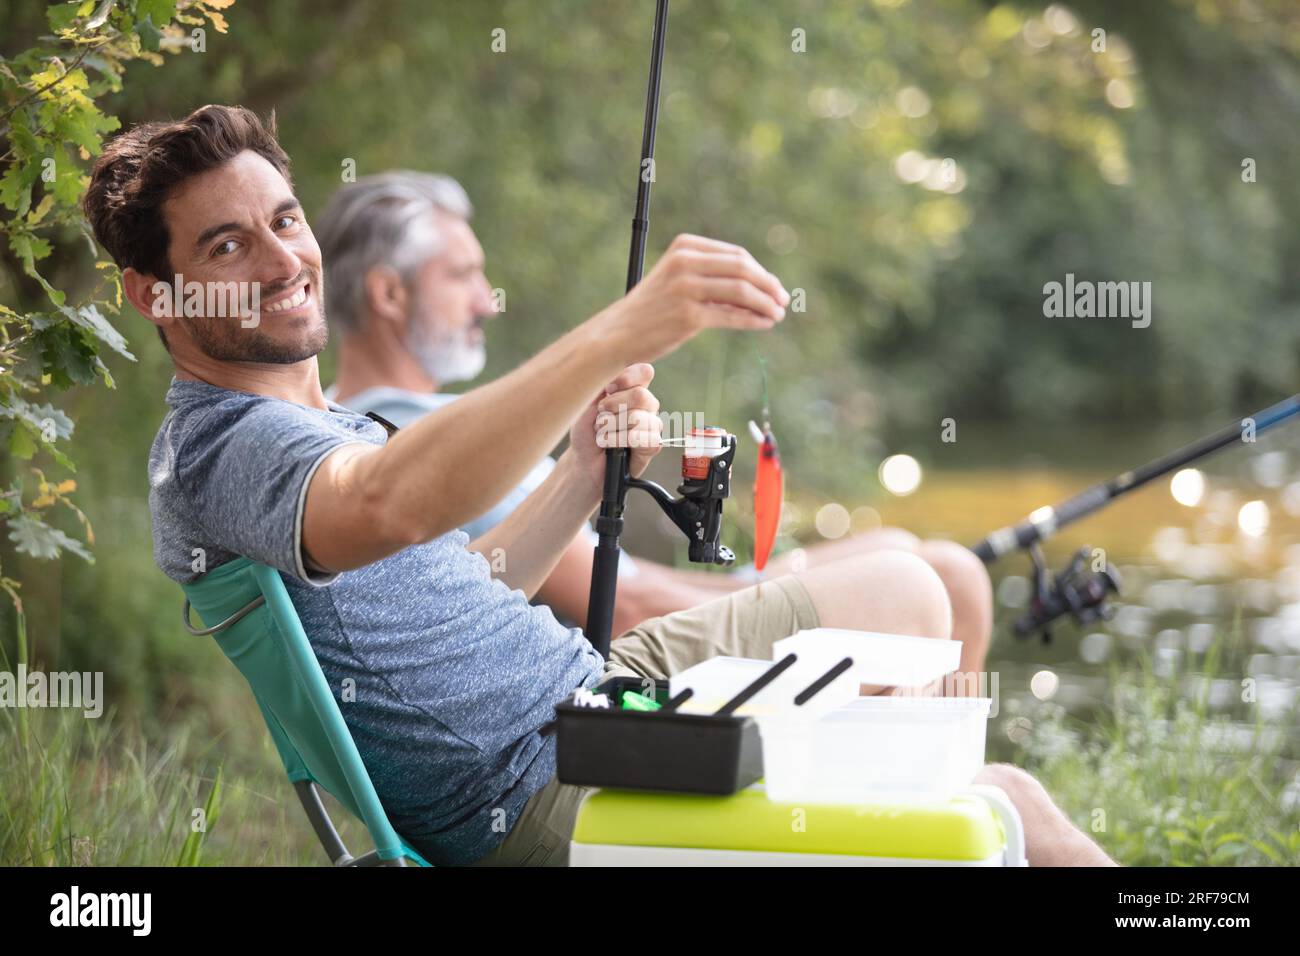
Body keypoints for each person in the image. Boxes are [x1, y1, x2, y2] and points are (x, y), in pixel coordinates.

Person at [85, 104, 1112, 866]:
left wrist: (581, 472)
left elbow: (466, 576)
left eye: (285, 218)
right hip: (543, 789)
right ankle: (895, 823)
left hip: (585, 696)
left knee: (912, 592)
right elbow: (392, 501)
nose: (282, 258)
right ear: (152, 291)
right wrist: (616, 332)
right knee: (1001, 802)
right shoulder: (227, 448)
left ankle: (875, 803)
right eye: (228, 243)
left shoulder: (314, 422)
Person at [313, 171, 993, 683]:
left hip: (632, 620)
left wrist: (780, 579)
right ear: (389, 293)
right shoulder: (410, 437)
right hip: (603, 668)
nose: (487, 302)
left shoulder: (410, 423)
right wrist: (775, 590)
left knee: (908, 551)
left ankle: (934, 796)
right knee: (940, 577)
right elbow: (626, 605)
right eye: (462, 275)